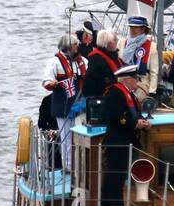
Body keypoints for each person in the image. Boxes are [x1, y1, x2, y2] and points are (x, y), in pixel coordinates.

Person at [100, 64, 149, 206]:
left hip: (125, 140)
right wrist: (134, 124)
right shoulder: (115, 93)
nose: (138, 82)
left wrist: (143, 122)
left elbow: (134, 113)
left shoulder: (129, 94)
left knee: (118, 177)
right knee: (115, 178)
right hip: (117, 141)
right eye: (136, 79)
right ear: (128, 80)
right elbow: (116, 116)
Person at [43, 33, 85, 172]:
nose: (77, 46)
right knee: (66, 139)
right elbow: (46, 81)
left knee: (80, 138)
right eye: (75, 44)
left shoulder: (82, 61)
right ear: (67, 46)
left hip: (79, 105)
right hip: (63, 106)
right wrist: (52, 83)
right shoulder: (54, 62)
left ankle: (80, 166)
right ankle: (68, 166)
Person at [83, 28, 120, 100]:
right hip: (102, 96)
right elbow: (89, 82)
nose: (116, 42)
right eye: (114, 40)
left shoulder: (113, 55)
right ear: (106, 43)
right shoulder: (96, 59)